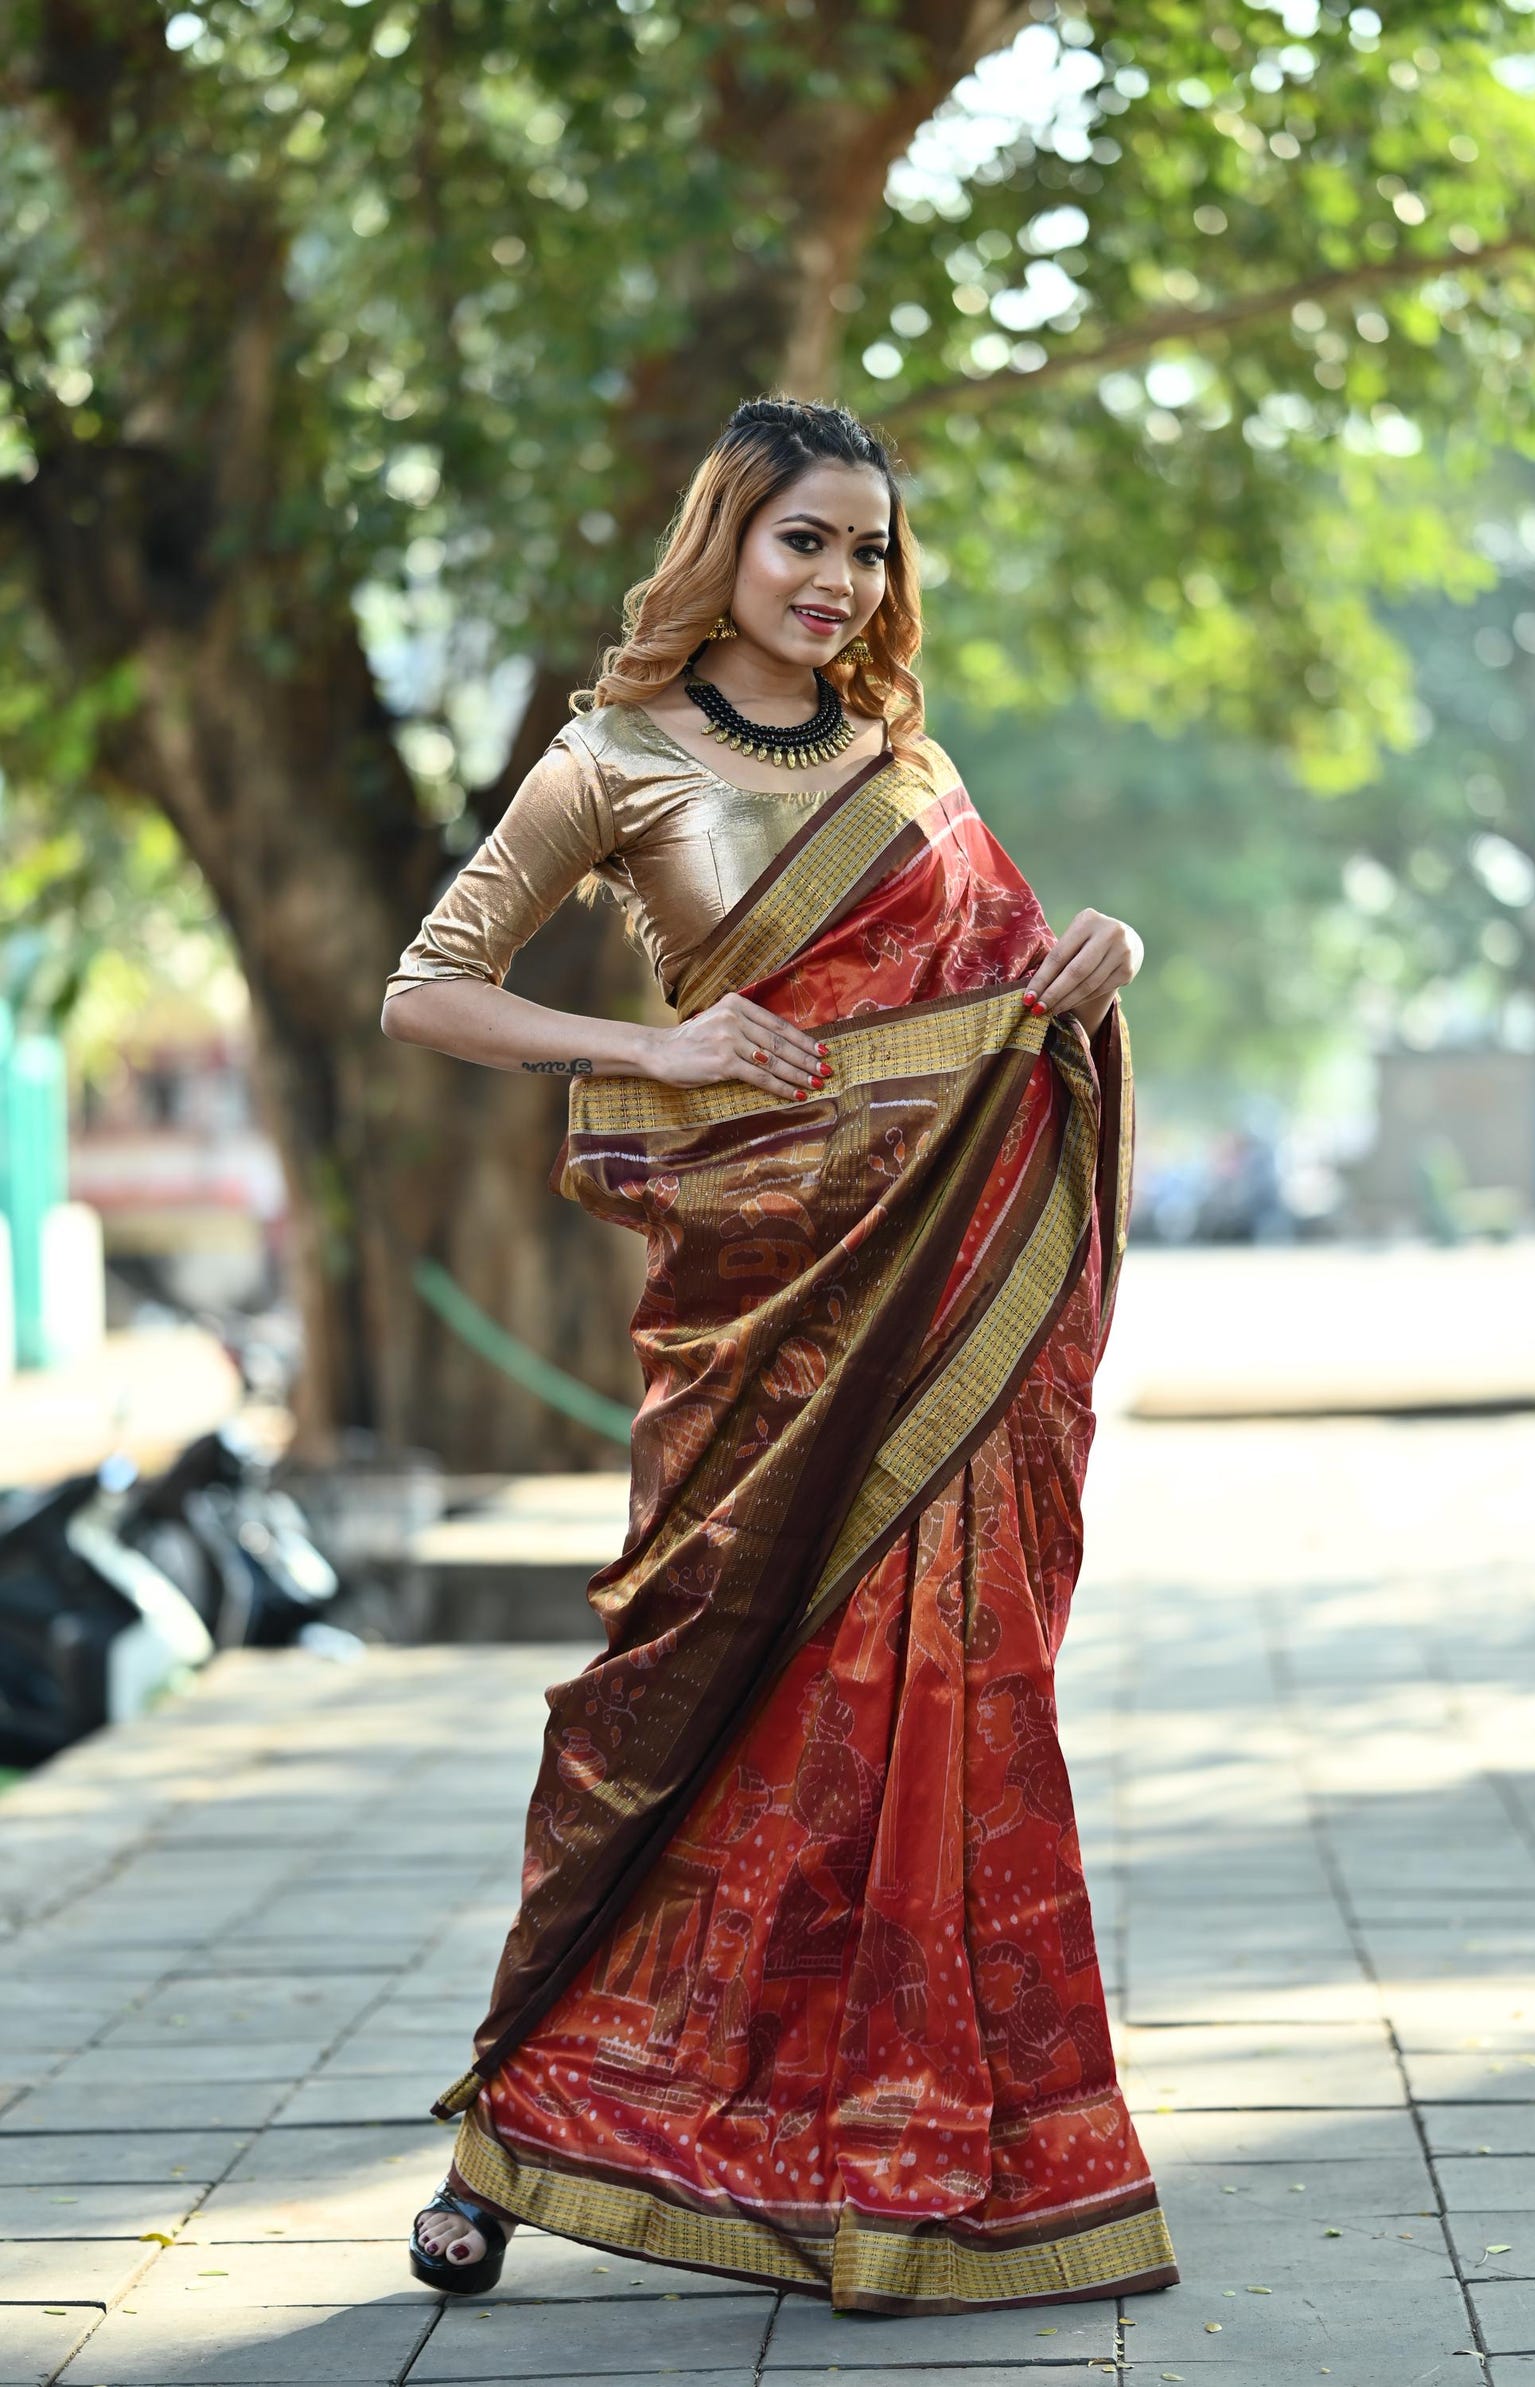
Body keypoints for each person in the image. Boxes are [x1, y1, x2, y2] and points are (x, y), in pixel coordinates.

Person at [380, 394, 1176, 2317]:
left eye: (871, 549)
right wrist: (655, 1048)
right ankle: (519, 2125)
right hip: (767, 1332)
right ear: (727, 542)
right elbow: (428, 990)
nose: (841, 580)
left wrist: (1103, 960)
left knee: (951, 1703)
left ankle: (913, 2148)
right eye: (806, 539)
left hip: (954, 1321)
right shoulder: (615, 761)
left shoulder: (910, 763)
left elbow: (991, 989)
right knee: (687, 1709)